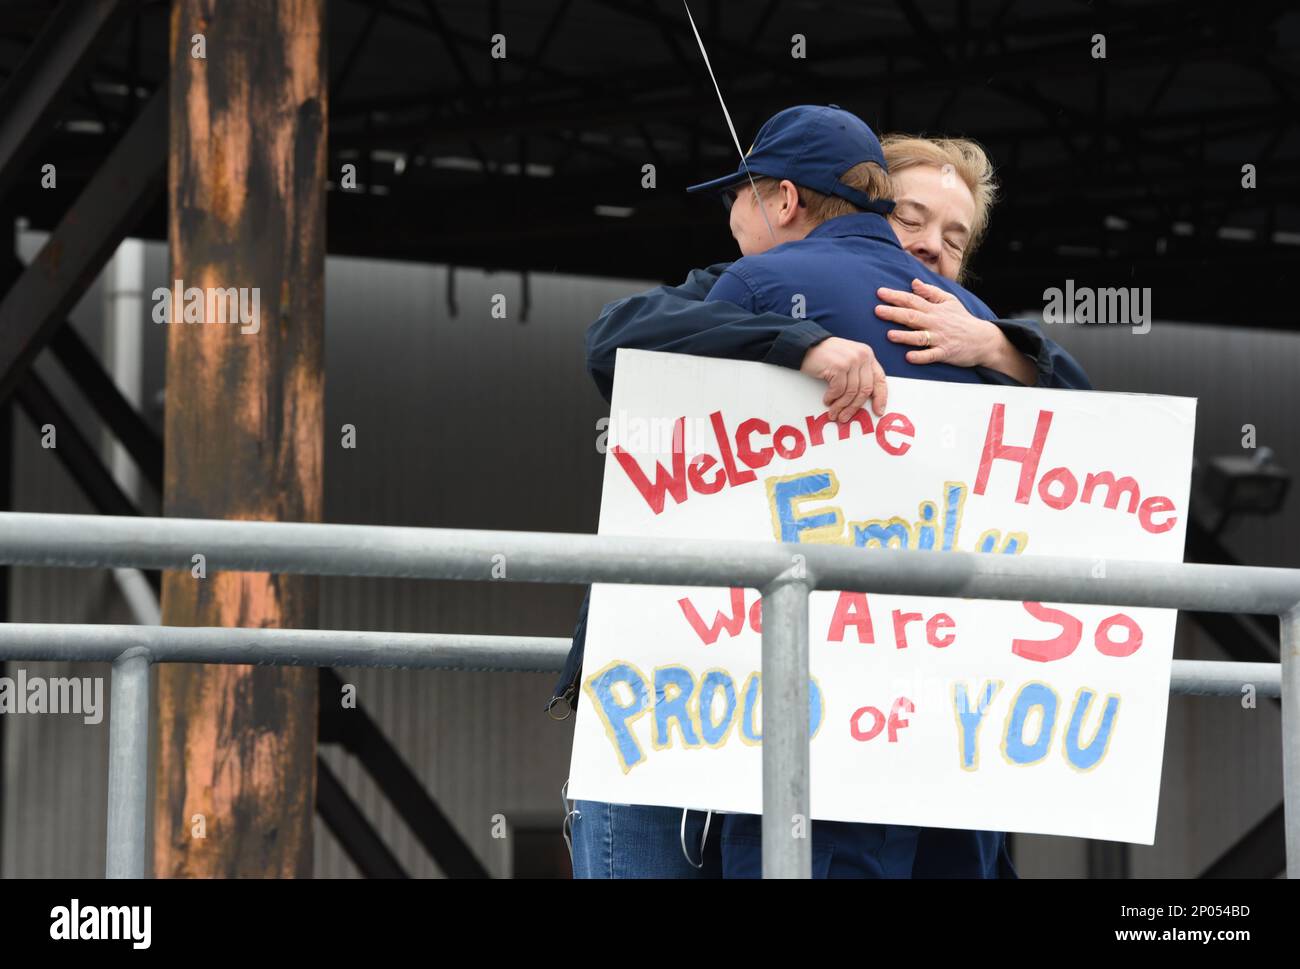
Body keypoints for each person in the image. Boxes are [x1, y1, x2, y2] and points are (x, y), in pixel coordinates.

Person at [557, 109, 1091, 878]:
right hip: (871, 709)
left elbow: (1111, 445)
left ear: (783, 200)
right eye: (908, 216)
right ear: (871, 207)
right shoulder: (772, 287)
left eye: (956, 235)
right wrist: (800, 340)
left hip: (778, 700)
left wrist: (1006, 348)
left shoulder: (969, 329)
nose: (928, 245)